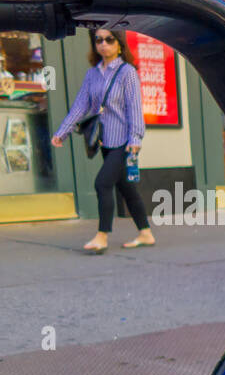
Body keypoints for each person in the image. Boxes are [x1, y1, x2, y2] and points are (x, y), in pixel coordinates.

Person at [51, 28, 154, 253]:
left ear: (119, 44)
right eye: (99, 40)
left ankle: (102, 236)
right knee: (127, 189)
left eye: (109, 39)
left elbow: (134, 107)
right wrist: (63, 132)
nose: (103, 44)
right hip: (105, 141)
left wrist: (135, 138)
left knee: (102, 184)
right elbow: (81, 106)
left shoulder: (127, 72)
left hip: (124, 142)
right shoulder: (93, 74)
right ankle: (146, 233)